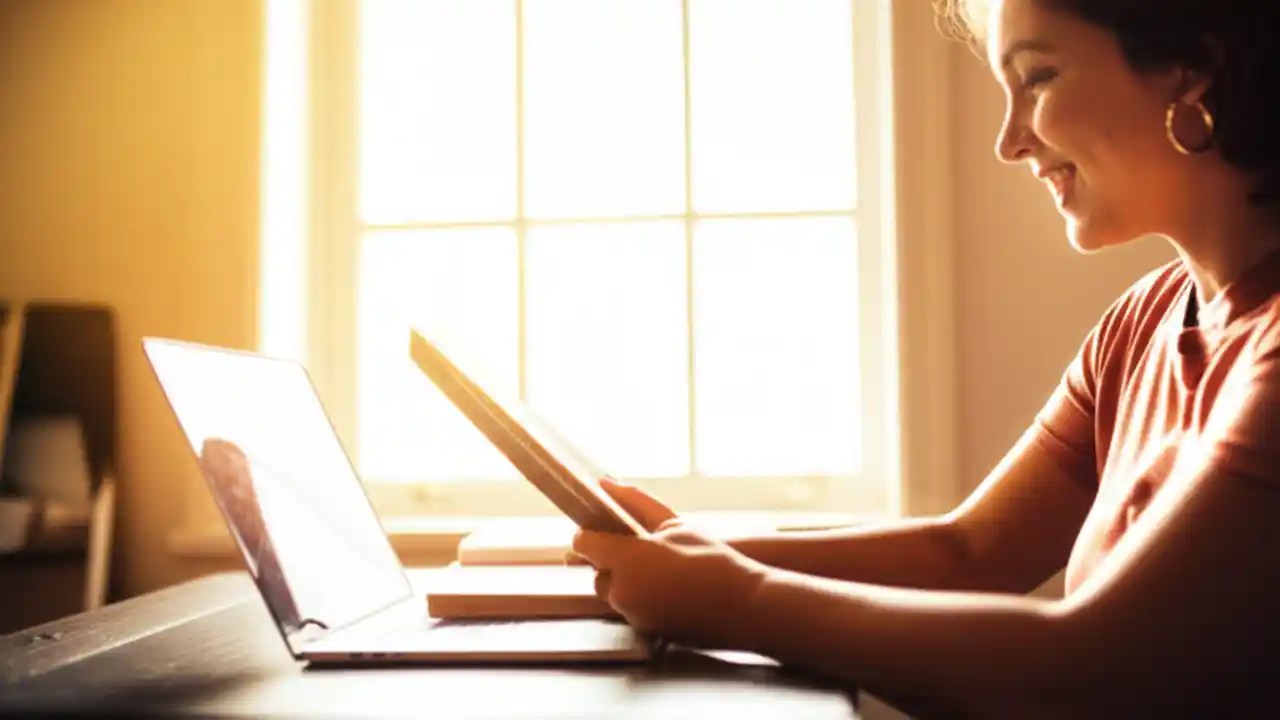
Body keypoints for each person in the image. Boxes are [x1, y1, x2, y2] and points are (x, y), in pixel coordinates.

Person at [571, 1, 1280, 716]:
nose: (1009, 141)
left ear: (1195, 71)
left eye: (1037, 78)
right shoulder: (1142, 322)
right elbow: (970, 553)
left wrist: (737, 598)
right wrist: (680, 553)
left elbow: (1086, 670)